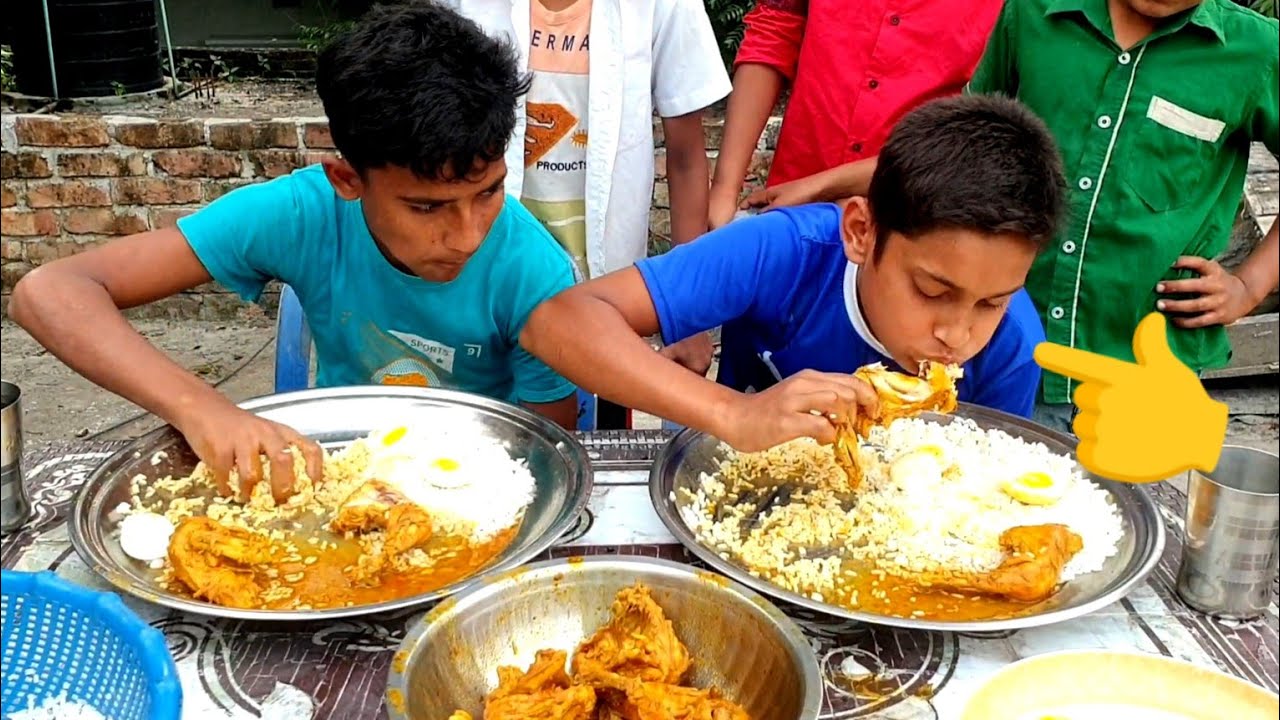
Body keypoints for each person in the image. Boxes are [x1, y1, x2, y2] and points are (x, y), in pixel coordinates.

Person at [7, 1, 580, 499]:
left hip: (474, 485)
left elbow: (544, 457)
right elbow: (47, 293)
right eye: (426, 208)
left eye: (488, 192)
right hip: (333, 473)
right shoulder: (301, 215)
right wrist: (201, 407)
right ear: (347, 180)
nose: (468, 236)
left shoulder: (534, 273)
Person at [743, 0, 1280, 435]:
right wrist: (827, 183)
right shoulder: (1032, 14)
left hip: (1141, 368)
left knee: (1112, 523)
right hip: (1001, 351)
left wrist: (1249, 286)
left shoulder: (1255, 54)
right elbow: (958, 148)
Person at [520, 95, 1066, 452]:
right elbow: (558, 322)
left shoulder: (1013, 346)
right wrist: (733, 413)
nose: (957, 335)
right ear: (861, 232)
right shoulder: (784, 253)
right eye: (930, 290)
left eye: (992, 303)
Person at [450, 0, 731, 429]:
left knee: (599, 433)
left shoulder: (660, 7)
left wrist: (689, 313)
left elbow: (687, 159)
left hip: (604, 286)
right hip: (485, 272)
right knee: (483, 428)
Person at [706, 0, 1004, 230]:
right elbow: (775, 30)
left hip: (911, 223)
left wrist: (822, 186)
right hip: (791, 210)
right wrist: (725, 189)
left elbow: (986, 134)